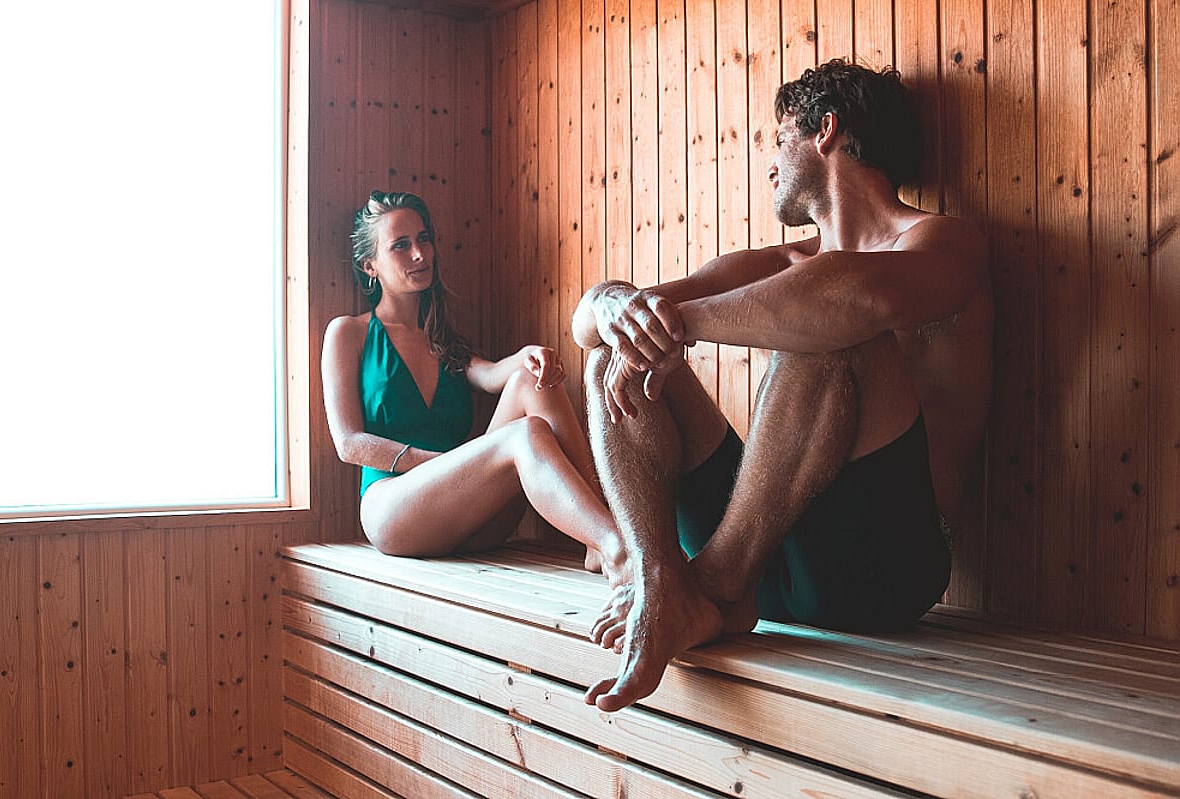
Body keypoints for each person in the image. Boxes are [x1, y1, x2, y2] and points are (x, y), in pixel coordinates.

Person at [571, 60, 993, 712]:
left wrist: (678, 325)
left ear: (825, 130)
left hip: (880, 569)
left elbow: (862, 298)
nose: (769, 163)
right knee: (609, 359)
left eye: (777, 138)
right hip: (769, 539)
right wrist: (613, 310)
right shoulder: (780, 263)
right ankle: (662, 581)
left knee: (828, 337)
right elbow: (586, 327)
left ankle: (709, 583)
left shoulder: (940, 240)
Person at [323, 191, 627, 577]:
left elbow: (492, 374)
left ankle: (597, 539)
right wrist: (439, 463)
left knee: (533, 379)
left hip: (468, 511)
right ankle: (618, 547)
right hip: (396, 509)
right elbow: (348, 444)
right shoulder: (349, 333)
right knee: (525, 434)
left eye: (424, 239)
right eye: (401, 245)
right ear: (371, 266)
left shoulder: (439, 337)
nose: (420, 254)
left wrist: (528, 356)